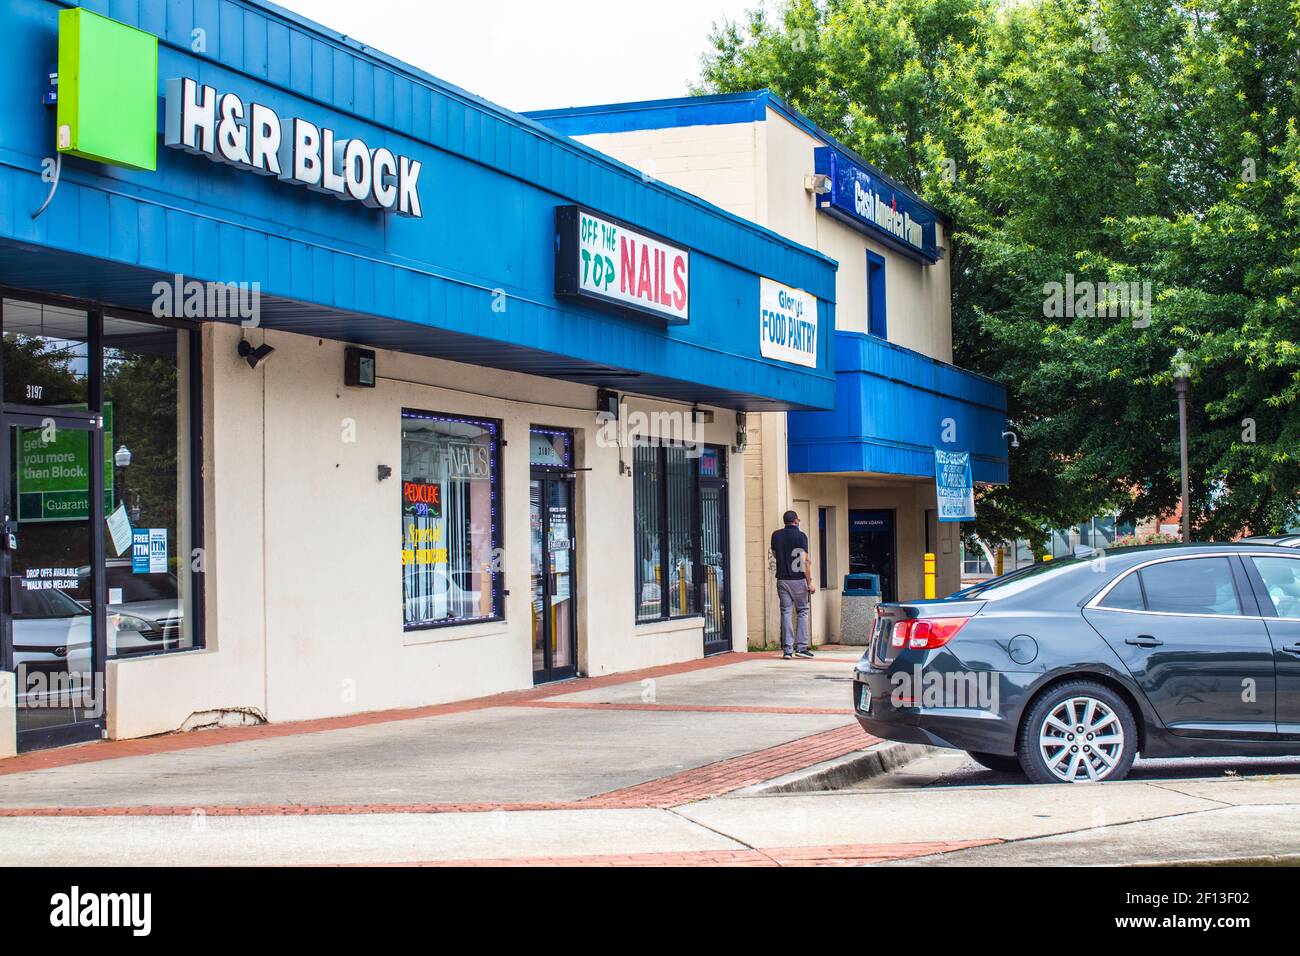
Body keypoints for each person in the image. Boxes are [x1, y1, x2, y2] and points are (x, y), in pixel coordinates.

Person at [770, 510, 815, 659]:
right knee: (802, 611)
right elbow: (804, 561)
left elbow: (775, 554)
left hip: (782, 580)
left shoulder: (776, 535)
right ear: (795, 521)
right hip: (798, 580)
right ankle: (801, 647)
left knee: (786, 612)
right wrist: (810, 582)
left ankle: (787, 649)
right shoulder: (801, 537)